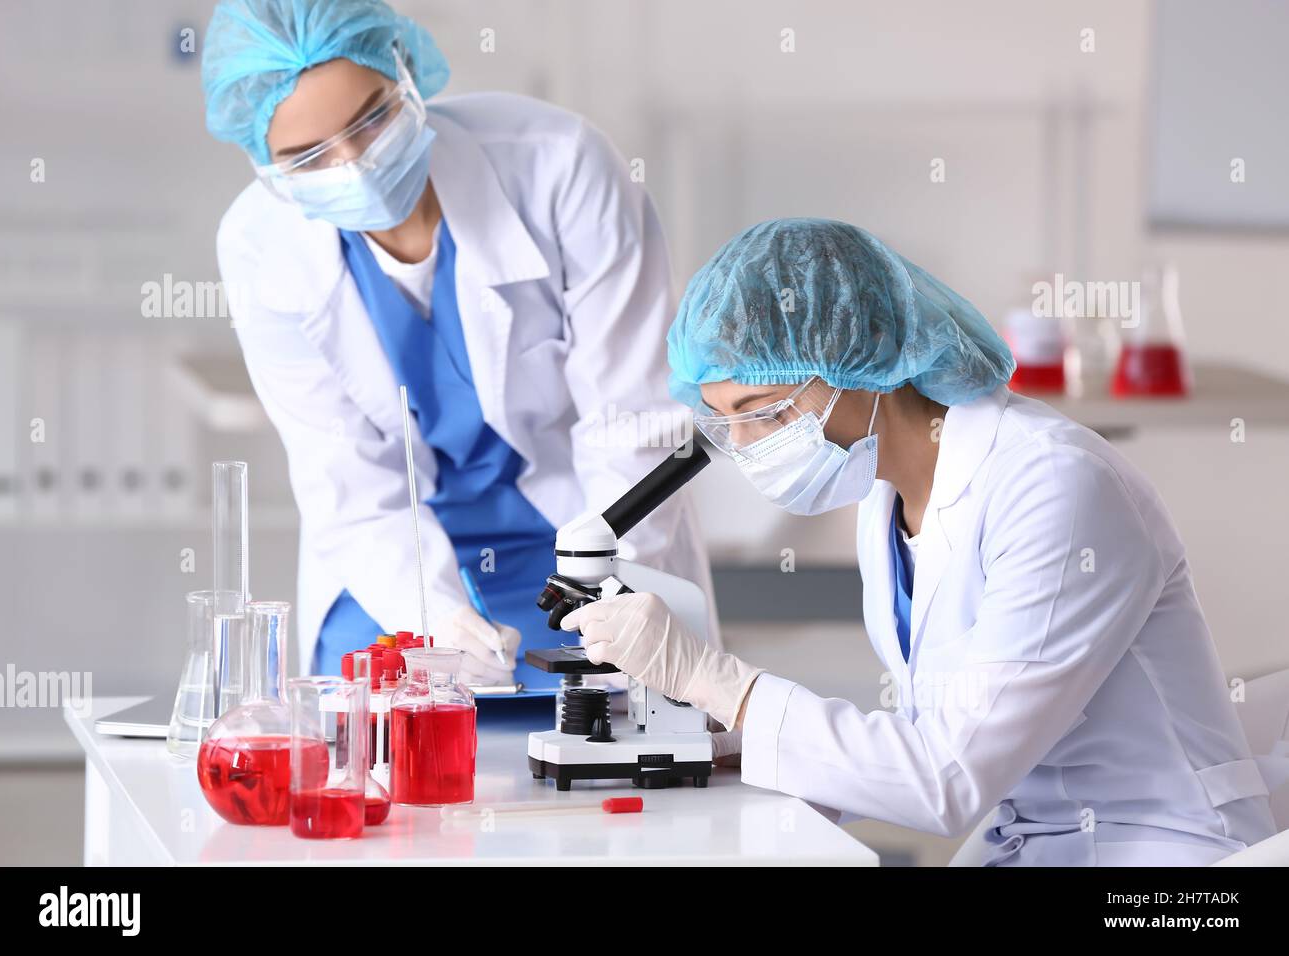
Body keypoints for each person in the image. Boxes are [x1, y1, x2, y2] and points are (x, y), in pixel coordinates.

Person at [562, 218, 1279, 865]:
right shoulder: (886, 499)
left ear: (858, 356)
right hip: (1032, 842)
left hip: (1169, 867)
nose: (746, 448)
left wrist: (720, 684)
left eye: (765, 411)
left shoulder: (1057, 484)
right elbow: (933, 734)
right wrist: (736, 749)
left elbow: (947, 780)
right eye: (727, 424)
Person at [201, 0, 713, 686]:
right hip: (388, 553)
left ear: (405, 71)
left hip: (582, 531)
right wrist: (432, 615)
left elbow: (632, 423)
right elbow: (347, 481)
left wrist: (605, 580)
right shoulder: (261, 246)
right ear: (264, 164)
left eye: (372, 117)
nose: (354, 165)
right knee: (381, 740)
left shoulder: (561, 167)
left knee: (609, 725)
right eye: (309, 156)